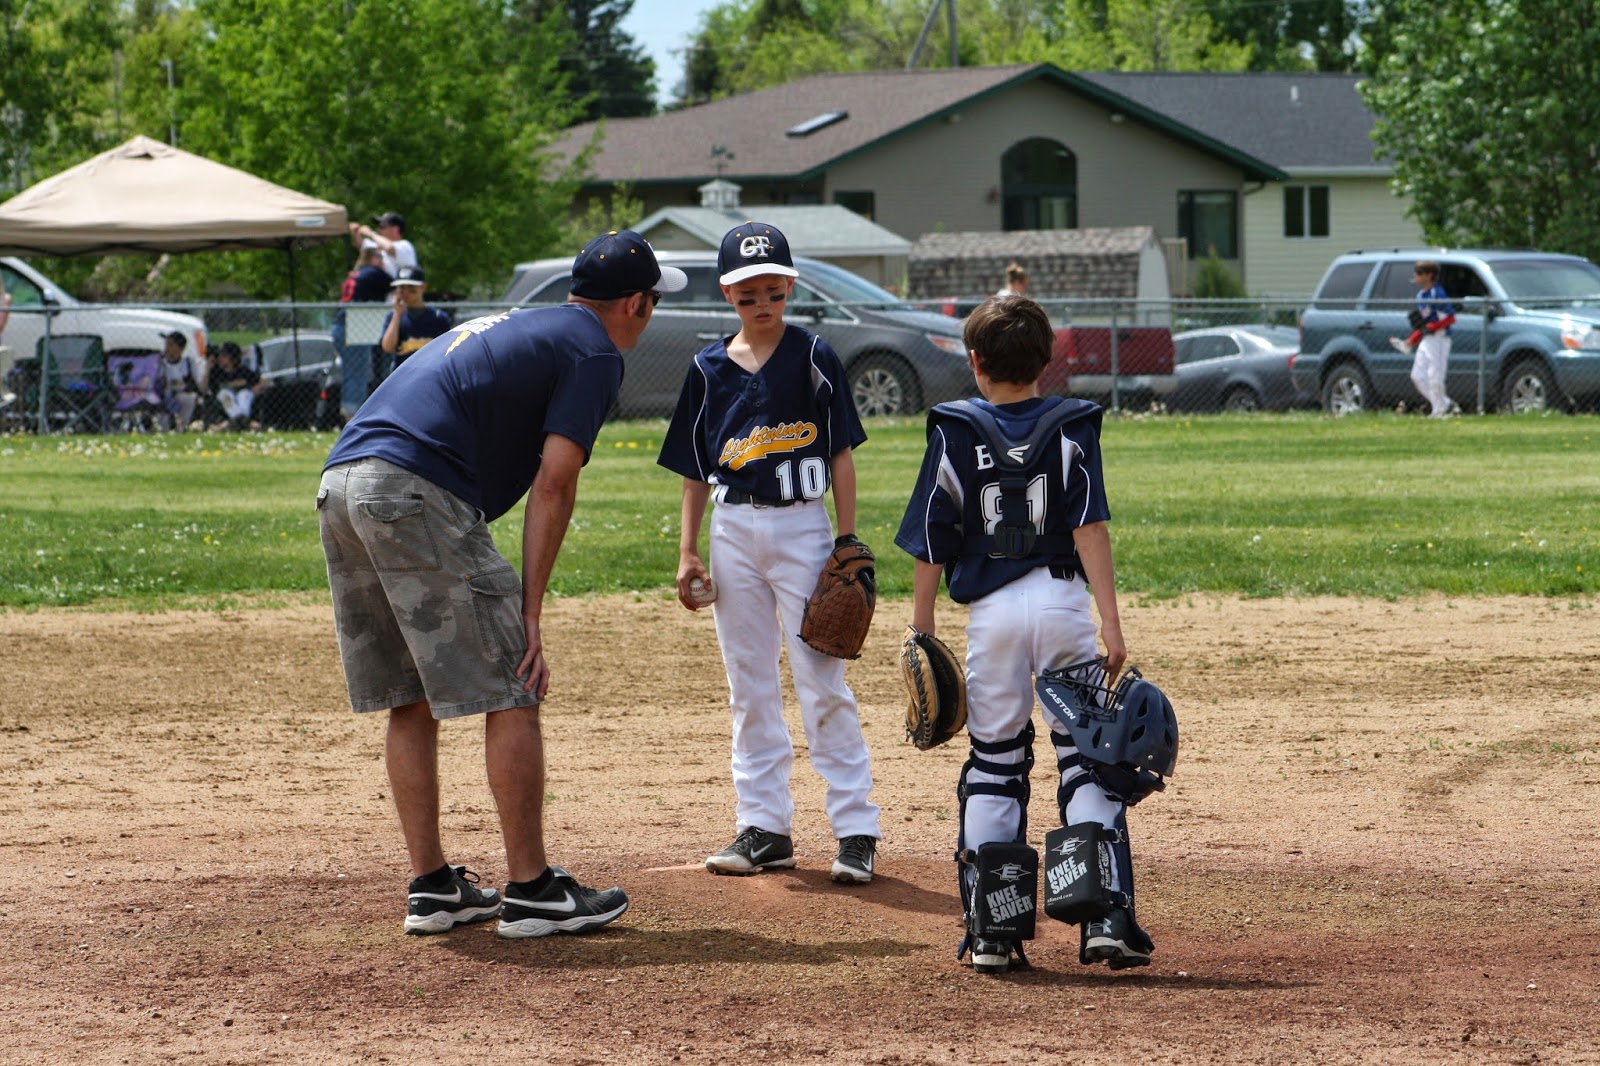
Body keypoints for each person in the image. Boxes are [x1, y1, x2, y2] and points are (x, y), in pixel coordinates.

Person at [317, 229, 687, 938]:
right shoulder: (593, 350)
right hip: (411, 487)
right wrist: (532, 614)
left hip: (340, 485)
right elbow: (556, 483)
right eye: (651, 302)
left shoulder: (528, 325)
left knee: (412, 694)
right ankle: (533, 890)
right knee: (514, 681)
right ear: (635, 304)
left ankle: (433, 888)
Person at [895, 293, 1151, 974]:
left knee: (997, 762)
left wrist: (921, 631)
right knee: (1087, 758)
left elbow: (929, 538)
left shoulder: (953, 427)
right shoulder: (1073, 424)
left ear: (974, 361)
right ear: (1049, 361)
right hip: (1065, 605)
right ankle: (1102, 921)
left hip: (994, 616)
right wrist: (1111, 619)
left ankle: (993, 934)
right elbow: (1089, 526)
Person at [657, 221, 883, 884]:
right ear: (729, 294)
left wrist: (845, 537)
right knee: (749, 685)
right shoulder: (706, 368)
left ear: (789, 286)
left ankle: (856, 829)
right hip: (733, 531)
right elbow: (695, 468)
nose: (763, 301)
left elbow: (840, 451)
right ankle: (764, 827)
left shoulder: (814, 355)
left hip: (803, 529)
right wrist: (687, 551)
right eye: (748, 290)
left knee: (822, 681)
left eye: (773, 288)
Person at [1389, 259, 1458, 417]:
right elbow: (1424, 325)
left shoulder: (1437, 293)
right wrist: (1411, 340)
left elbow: (1450, 318)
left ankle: (1439, 411)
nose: (1416, 276)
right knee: (1417, 377)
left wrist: (1433, 327)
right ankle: (1444, 404)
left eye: (1419, 273)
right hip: (1427, 340)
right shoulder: (1421, 295)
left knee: (1435, 377)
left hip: (1440, 339)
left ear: (1429, 275)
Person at [332, 241, 392, 423]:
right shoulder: (374, 273)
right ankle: (352, 416)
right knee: (358, 373)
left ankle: (350, 412)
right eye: (380, 257)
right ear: (371, 258)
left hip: (342, 325)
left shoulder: (357, 273)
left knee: (352, 372)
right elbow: (398, 284)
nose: (382, 261)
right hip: (354, 326)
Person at [376, 266, 453, 382]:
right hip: (402, 376)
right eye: (402, 288)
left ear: (423, 287)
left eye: (411, 288)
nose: (406, 292)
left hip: (431, 376)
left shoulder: (438, 317)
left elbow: (449, 351)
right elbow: (387, 347)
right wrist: (397, 314)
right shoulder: (394, 317)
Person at [208, 341, 266, 431]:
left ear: (233, 358)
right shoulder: (216, 373)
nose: (220, 358)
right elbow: (206, 389)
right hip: (226, 401)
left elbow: (262, 380)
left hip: (243, 399)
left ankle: (236, 422)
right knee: (225, 394)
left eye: (224, 356)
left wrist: (259, 386)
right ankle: (244, 421)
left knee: (243, 394)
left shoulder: (243, 371)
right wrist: (208, 368)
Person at [158, 330, 207, 430]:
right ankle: (164, 429)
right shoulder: (160, 363)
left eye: (171, 345)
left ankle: (182, 427)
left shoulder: (188, 362)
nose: (166, 348)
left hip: (183, 394)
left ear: (181, 348)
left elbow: (199, 383)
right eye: (166, 344)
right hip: (165, 395)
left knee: (188, 399)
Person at [349, 211, 418, 279]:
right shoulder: (380, 246)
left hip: (403, 288)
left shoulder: (405, 245)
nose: (378, 229)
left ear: (395, 229)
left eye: (382, 227)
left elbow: (390, 248)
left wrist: (371, 234)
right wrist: (355, 232)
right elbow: (362, 245)